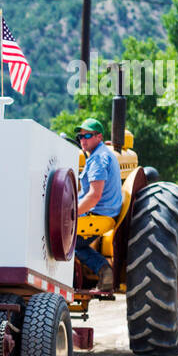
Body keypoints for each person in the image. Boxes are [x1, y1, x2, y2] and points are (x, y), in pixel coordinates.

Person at [74, 117, 123, 291]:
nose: (83, 140)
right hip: (105, 211)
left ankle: (103, 270)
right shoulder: (104, 153)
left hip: (99, 214)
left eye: (87, 135)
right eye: (80, 136)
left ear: (99, 137)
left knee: (64, 241)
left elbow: (94, 196)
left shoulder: (98, 159)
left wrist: (70, 214)